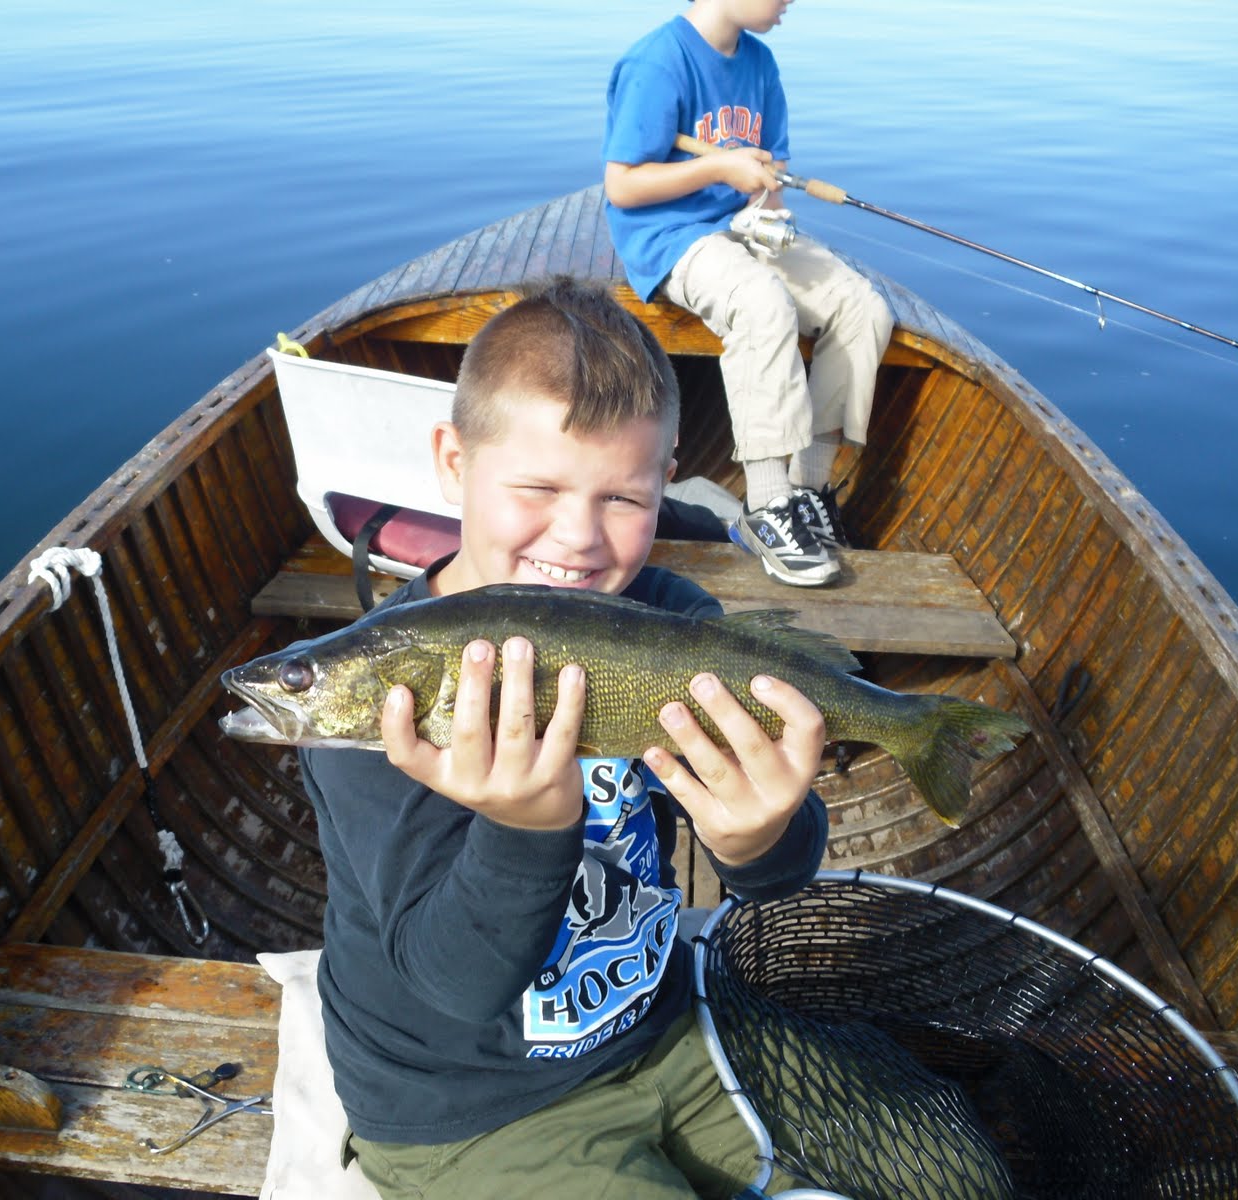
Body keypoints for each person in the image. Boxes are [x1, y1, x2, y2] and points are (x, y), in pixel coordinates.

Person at [298, 276, 828, 1198]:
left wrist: (757, 840)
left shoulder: (668, 618)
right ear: (453, 464)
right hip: (472, 1108)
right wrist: (530, 826)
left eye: (623, 499)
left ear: (668, 483)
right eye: (537, 487)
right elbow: (454, 984)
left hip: (660, 1023)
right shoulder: (380, 699)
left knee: (948, 1170)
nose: (579, 537)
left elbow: (779, 872)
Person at [603, 0, 895, 588]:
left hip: (742, 224)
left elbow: (773, 177)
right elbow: (623, 184)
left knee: (863, 307)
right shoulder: (659, 61)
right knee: (762, 302)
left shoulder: (760, 64)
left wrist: (767, 212)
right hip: (670, 234)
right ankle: (766, 505)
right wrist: (718, 171)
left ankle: (807, 493)